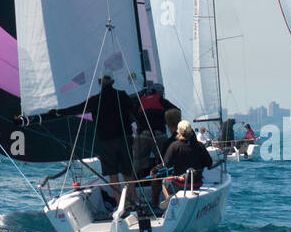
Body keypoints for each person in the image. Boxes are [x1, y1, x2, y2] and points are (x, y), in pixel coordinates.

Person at [24, 73, 139, 205]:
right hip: (124, 138)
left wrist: (56, 112)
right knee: (127, 170)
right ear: (113, 81)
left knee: (113, 173)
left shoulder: (95, 99)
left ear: (100, 83)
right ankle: (134, 198)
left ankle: (121, 204)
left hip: (106, 142)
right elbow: (135, 110)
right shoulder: (122, 95)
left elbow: (76, 109)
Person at [159, 120, 213, 206]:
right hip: (197, 183)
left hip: (180, 183)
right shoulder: (200, 146)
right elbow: (209, 163)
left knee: (164, 182)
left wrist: (154, 170)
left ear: (179, 132)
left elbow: (166, 165)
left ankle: (170, 201)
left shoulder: (174, 146)